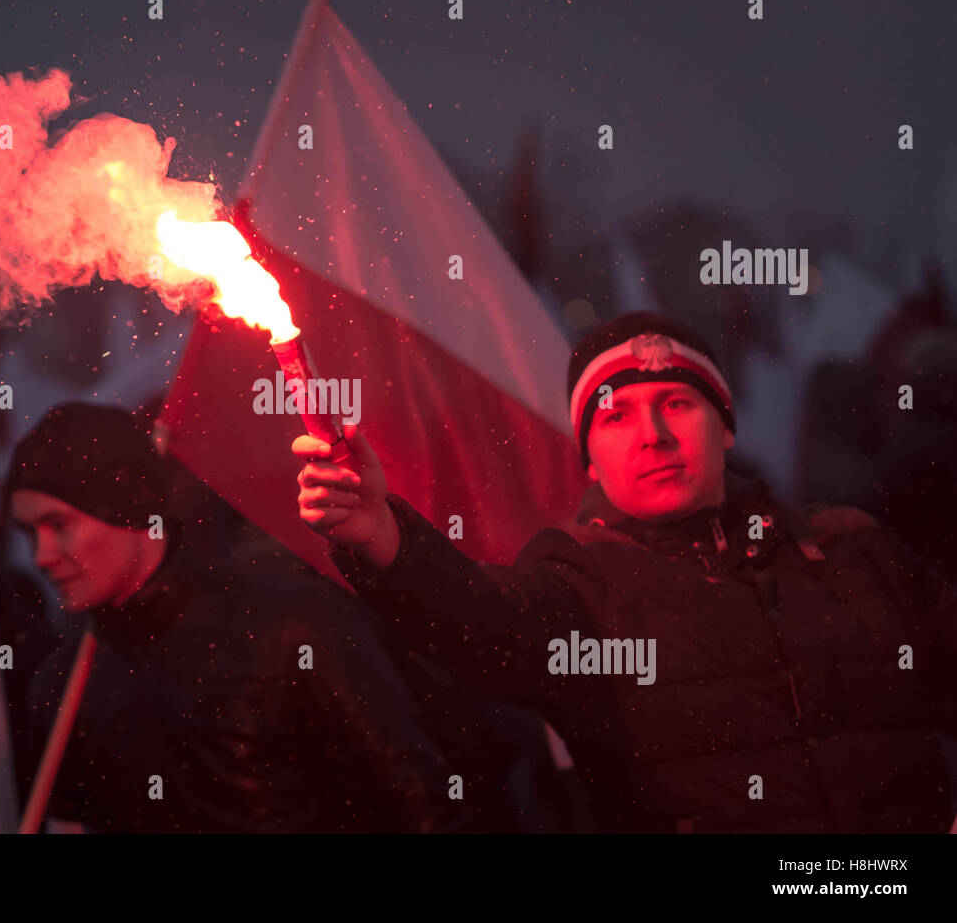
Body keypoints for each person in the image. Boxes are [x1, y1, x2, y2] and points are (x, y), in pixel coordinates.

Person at [294, 310, 957, 833]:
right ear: (589, 460)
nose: (653, 435)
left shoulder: (852, 545)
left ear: (724, 426)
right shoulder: (583, 576)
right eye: (615, 415)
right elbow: (481, 621)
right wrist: (382, 534)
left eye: (677, 403)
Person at [7, 402, 462, 832]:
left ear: (125, 507)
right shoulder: (61, 686)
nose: (42, 556)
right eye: (30, 532)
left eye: (59, 524)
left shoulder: (288, 627)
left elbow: (421, 803)